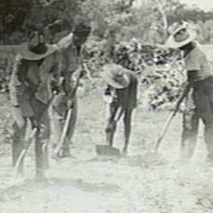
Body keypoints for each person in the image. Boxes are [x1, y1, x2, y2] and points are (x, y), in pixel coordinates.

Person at [164, 23, 213, 163]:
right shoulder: (192, 47)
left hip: (203, 86)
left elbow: (191, 80)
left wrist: (178, 101)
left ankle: (210, 157)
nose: (179, 48)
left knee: (203, 120)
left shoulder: (192, 55)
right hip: (204, 84)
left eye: (181, 46)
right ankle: (187, 156)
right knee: (194, 120)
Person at [9, 29, 59, 180]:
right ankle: (18, 170)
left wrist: (56, 83)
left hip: (41, 95)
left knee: (43, 131)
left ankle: (40, 171)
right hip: (21, 94)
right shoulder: (21, 60)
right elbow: (18, 87)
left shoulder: (52, 55)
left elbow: (55, 73)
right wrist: (30, 115)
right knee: (21, 127)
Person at [51, 21, 92, 158]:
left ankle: (66, 149)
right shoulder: (64, 46)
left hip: (71, 81)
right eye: (81, 39)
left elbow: (78, 63)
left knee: (72, 115)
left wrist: (82, 72)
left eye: (85, 39)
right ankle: (58, 148)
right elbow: (58, 71)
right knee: (59, 116)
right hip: (58, 82)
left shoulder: (79, 45)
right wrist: (65, 92)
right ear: (75, 35)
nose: (83, 41)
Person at [100, 63, 139, 155]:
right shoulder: (109, 77)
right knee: (109, 121)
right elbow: (106, 93)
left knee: (127, 120)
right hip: (114, 99)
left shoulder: (128, 81)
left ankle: (125, 147)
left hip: (129, 96)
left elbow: (123, 104)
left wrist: (116, 120)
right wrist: (109, 119)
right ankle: (108, 144)